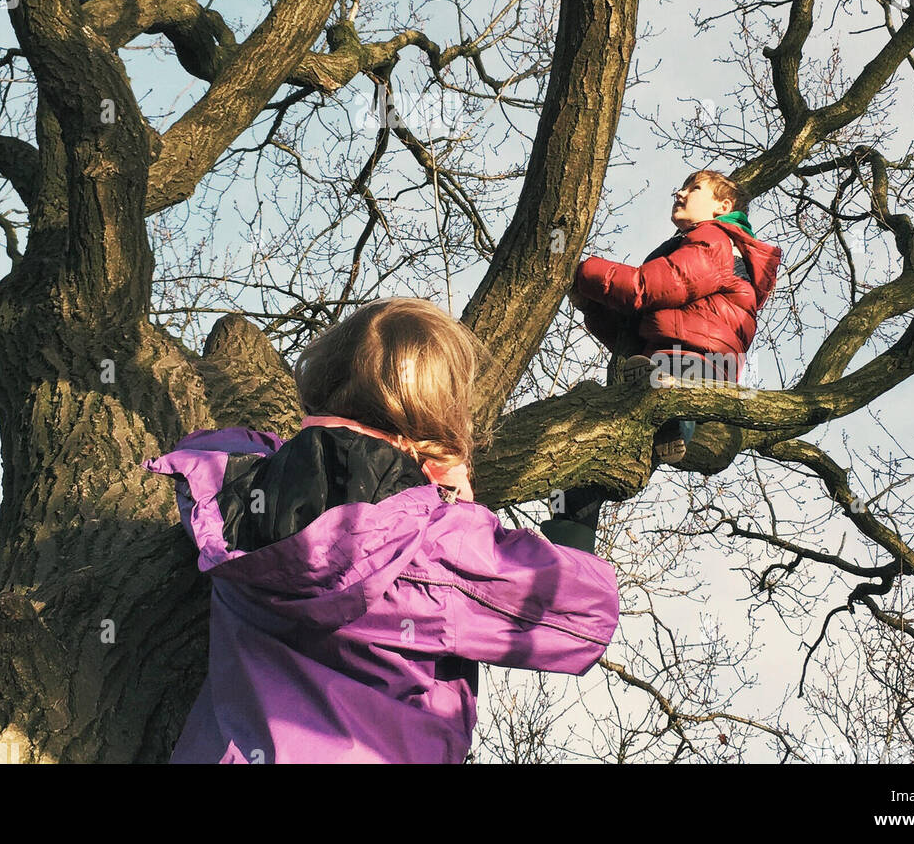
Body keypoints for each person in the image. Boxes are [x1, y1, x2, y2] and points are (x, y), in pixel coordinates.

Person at [143, 297, 619, 764]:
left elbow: (221, 451)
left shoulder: (230, 492)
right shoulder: (432, 543)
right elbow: (583, 616)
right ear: (439, 426)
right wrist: (473, 508)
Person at [559, 169, 779, 524]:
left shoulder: (714, 241)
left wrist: (581, 270)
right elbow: (628, 333)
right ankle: (570, 542)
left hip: (696, 361)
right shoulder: (688, 246)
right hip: (669, 359)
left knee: (660, 381)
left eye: (694, 189)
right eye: (681, 186)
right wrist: (591, 305)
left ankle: (672, 421)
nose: (680, 193)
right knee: (585, 470)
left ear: (723, 206)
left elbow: (645, 287)